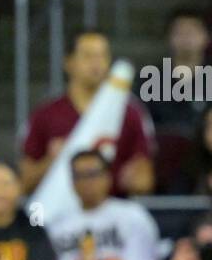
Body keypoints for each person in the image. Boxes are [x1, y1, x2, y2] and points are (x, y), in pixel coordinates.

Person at [21, 30, 155, 197]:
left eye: (102, 56)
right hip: (58, 213)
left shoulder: (130, 112)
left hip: (112, 210)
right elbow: (24, 182)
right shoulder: (45, 114)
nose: (96, 63)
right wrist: (51, 161)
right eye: (88, 55)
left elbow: (145, 180)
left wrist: (134, 179)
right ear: (68, 62)